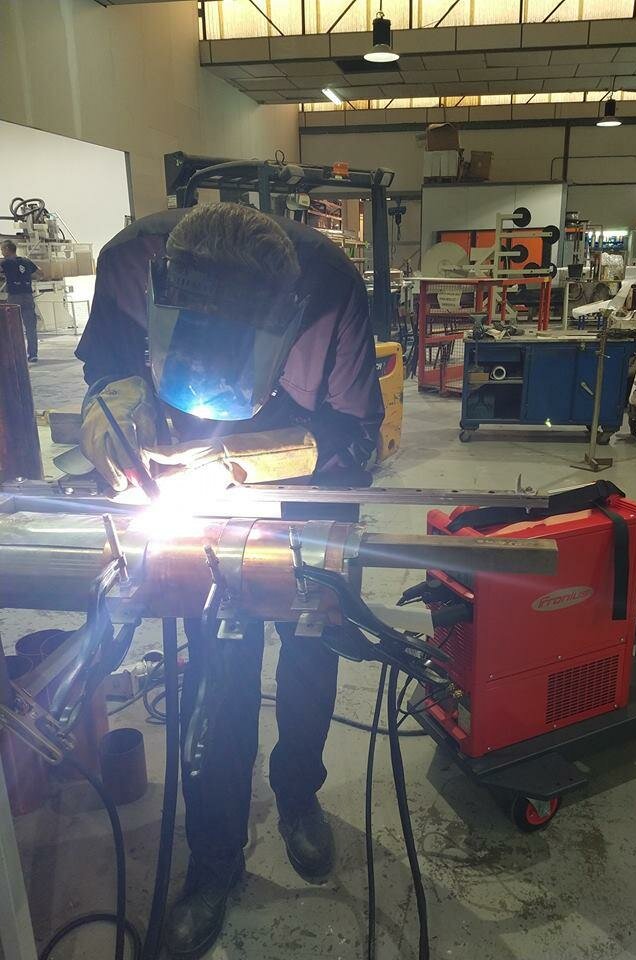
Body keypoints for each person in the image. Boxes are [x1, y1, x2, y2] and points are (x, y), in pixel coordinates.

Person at [75, 201, 384, 959]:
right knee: (218, 672)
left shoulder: (330, 290)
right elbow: (104, 365)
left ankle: (298, 793)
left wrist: (250, 458)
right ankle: (214, 857)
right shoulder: (129, 264)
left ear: (284, 321)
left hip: (304, 489)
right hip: (183, 483)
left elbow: (356, 437)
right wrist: (112, 407)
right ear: (164, 290)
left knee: (309, 648)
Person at [1, 239, 41, 362]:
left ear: (7, 249)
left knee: (13, 327)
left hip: (14, 298)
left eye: (2, 249)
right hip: (28, 297)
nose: (2, 252)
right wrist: (26, 277)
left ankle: (16, 354)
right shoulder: (26, 261)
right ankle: (33, 354)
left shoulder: (5, 263)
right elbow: (40, 273)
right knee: (30, 327)